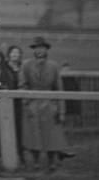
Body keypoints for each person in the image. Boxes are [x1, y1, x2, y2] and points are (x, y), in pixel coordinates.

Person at [21, 36, 75, 171]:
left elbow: (59, 89)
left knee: (51, 136)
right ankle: (36, 162)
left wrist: (61, 110)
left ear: (46, 50)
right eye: (36, 48)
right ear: (33, 50)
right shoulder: (26, 65)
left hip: (50, 105)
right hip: (33, 103)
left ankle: (51, 162)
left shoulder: (53, 66)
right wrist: (27, 104)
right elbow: (22, 85)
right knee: (34, 135)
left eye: (42, 48)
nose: (39, 51)